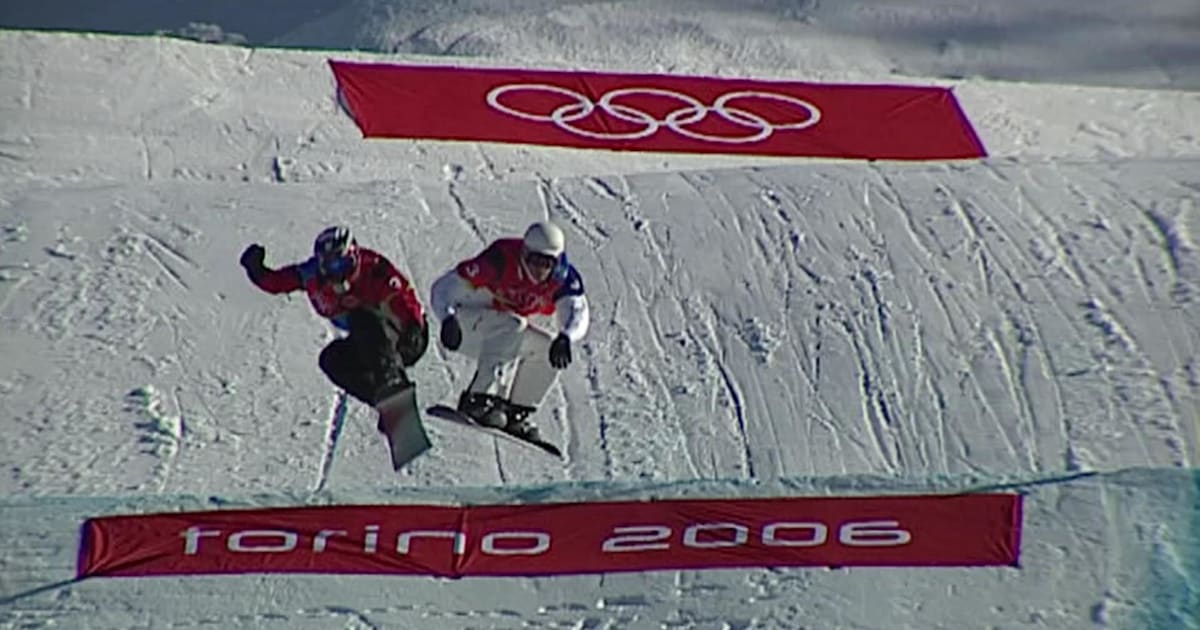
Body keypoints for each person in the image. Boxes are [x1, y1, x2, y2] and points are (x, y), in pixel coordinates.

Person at [429, 220, 589, 442]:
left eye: (547, 262)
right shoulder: (500, 260)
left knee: (546, 348)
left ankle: (516, 411)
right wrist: (447, 317)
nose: (540, 269)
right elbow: (444, 287)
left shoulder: (563, 278)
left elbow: (577, 310)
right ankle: (478, 398)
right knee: (513, 324)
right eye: (534, 260)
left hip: (503, 335)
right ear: (524, 253)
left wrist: (566, 336)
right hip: (467, 325)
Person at [239, 226, 429, 409]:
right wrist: (258, 272)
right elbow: (280, 281)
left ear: (355, 257)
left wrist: (412, 327)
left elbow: (402, 298)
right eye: (330, 267)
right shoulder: (313, 276)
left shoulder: (375, 270)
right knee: (332, 360)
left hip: (405, 336)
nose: (338, 273)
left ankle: (392, 383)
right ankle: (386, 405)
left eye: (343, 264)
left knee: (361, 318)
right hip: (369, 346)